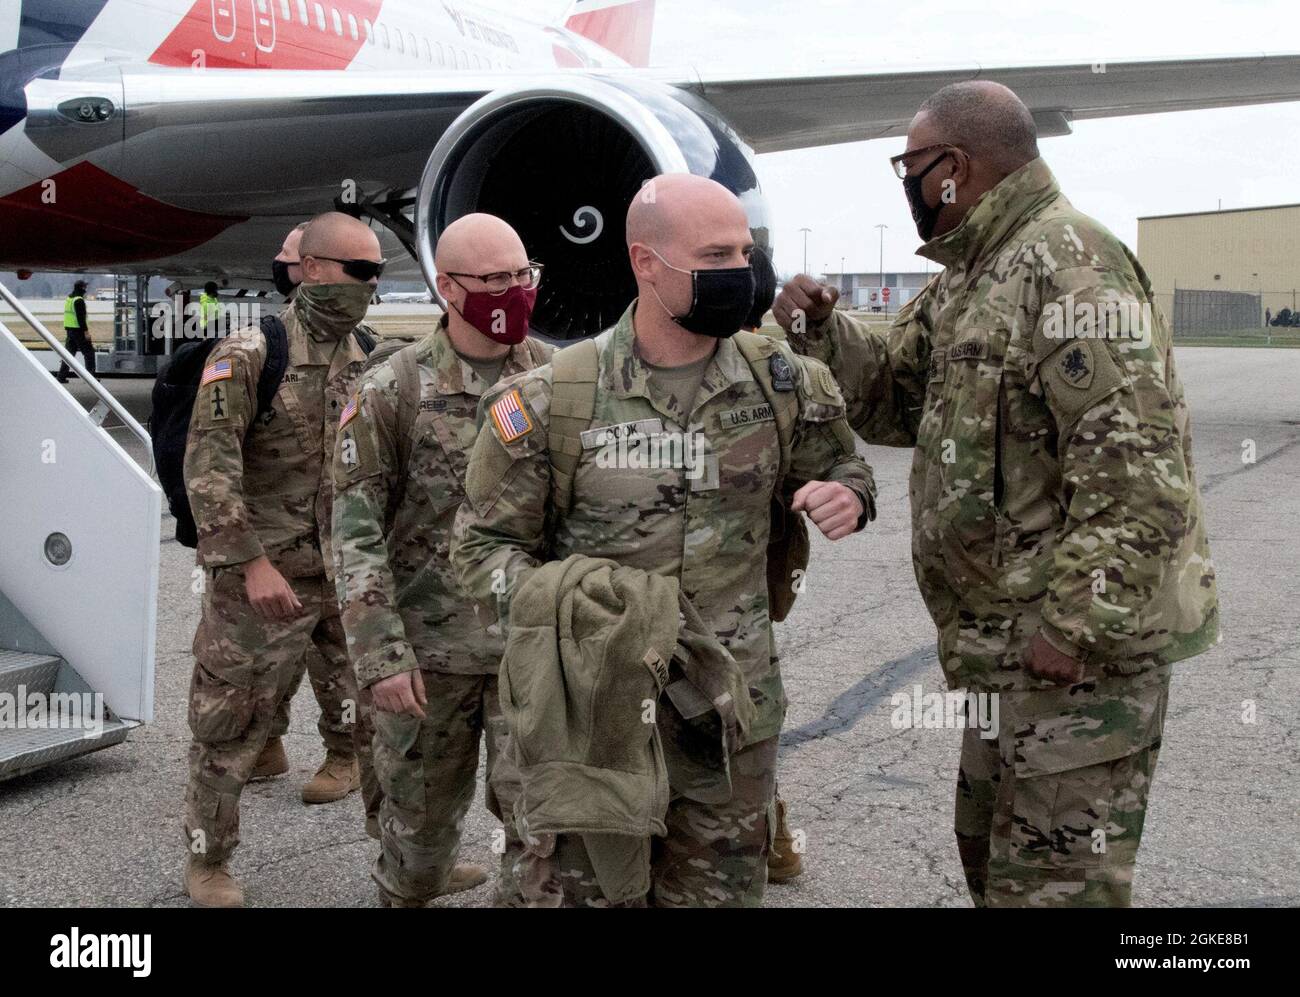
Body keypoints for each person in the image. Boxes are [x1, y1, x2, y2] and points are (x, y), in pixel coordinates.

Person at [774, 81, 1219, 907]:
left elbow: (1139, 472)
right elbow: (896, 399)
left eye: (910, 166)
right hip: (1000, 655)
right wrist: (821, 331)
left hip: (1071, 667)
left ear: (955, 168)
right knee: (996, 867)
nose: (905, 183)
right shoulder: (974, 275)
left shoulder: (1069, 263)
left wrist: (1074, 626)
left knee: (1055, 889)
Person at [450, 174, 876, 907]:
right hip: (591, 722)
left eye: (745, 251)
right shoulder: (552, 399)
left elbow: (843, 462)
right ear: (647, 263)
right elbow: (480, 551)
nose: (739, 272)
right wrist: (574, 606)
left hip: (726, 720)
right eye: (715, 255)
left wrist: (851, 494)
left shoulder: (783, 384)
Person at [332, 212, 552, 906]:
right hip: (430, 663)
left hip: (531, 655)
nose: (515, 290)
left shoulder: (556, 378)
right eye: (495, 279)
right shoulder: (394, 389)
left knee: (544, 838)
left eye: (524, 275)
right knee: (418, 855)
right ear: (448, 288)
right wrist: (381, 657)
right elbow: (354, 531)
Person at [181, 211, 383, 907]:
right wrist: (248, 562)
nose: (371, 286)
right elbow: (209, 468)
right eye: (361, 272)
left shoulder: (372, 355)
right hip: (261, 577)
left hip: (343, 572)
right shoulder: (250, 353)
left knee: (373, 712)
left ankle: (412, 859)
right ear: (316, 270)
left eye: (378, 274)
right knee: (228, 721)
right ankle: (208, 861)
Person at [56, 279, 94, 383]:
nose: (86, 289)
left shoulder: (69, 298)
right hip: (79, 331)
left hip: (69, 330)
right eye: (85, 287)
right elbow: (80, 318)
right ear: (82, 288)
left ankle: (61, 377)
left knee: (69, 354)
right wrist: (86, 331)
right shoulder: (79, 300)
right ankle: (90, 379)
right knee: (89, 353)